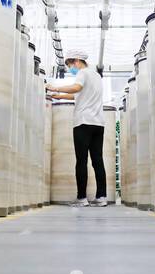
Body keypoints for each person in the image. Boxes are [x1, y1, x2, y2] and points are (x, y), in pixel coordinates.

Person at [45, 49, 108, 207]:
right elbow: (79, 94)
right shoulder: (96, 76)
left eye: (70, 64)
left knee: (81, 160)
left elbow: (76, 88)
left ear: (77, 61)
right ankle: (101, 197)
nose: (71, 68)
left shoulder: (82, 73)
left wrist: (55, 88)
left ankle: (82, 198)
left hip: (83, 122)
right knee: (97, 160)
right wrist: (59, 96)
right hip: (98, 123)